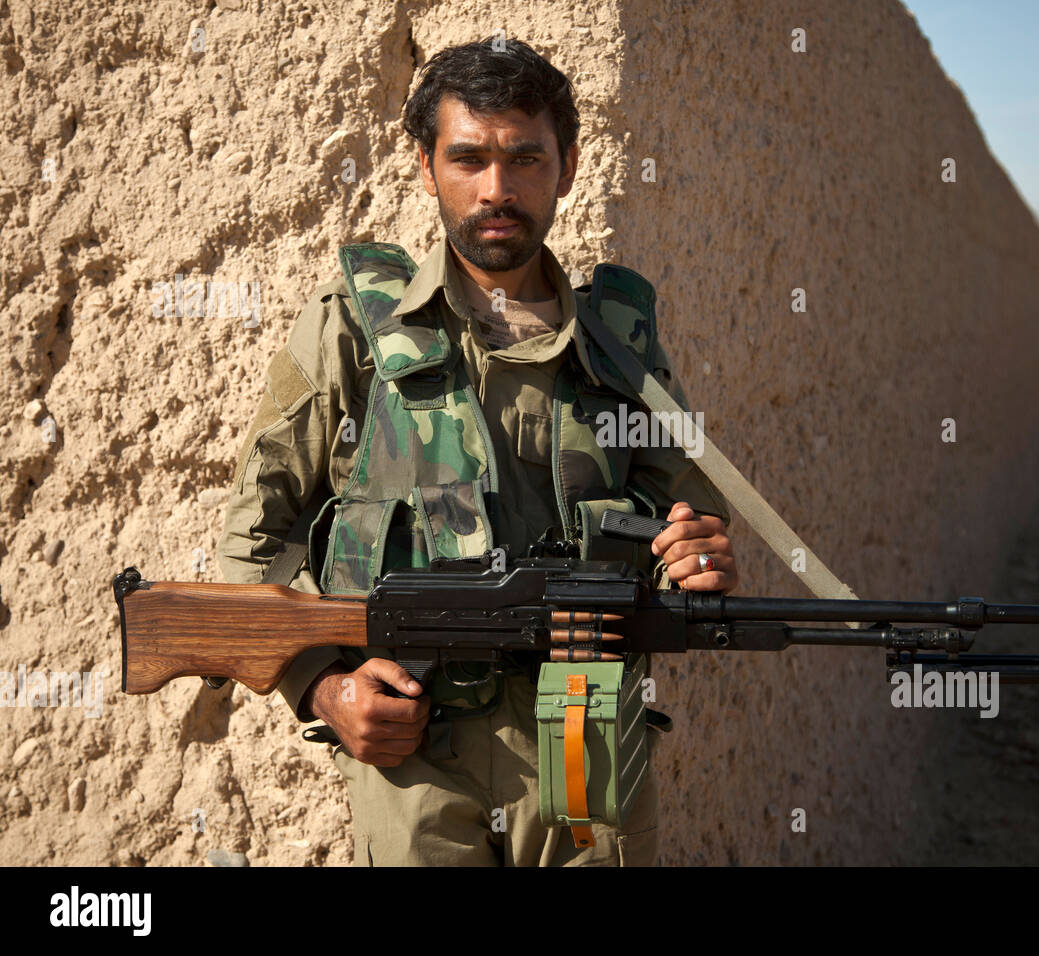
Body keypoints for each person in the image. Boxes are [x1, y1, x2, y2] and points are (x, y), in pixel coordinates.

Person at [216, 37, 740, 866]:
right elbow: (254, 538)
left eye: (526, 158)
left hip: (587, 730)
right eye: (468, 158)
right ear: (426, 167)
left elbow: (684, 517)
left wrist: (696, 555)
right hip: (416, 754)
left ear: (566, 168)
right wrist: (322, 685)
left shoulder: (620, 343)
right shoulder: (354, 330)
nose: (497, 189)